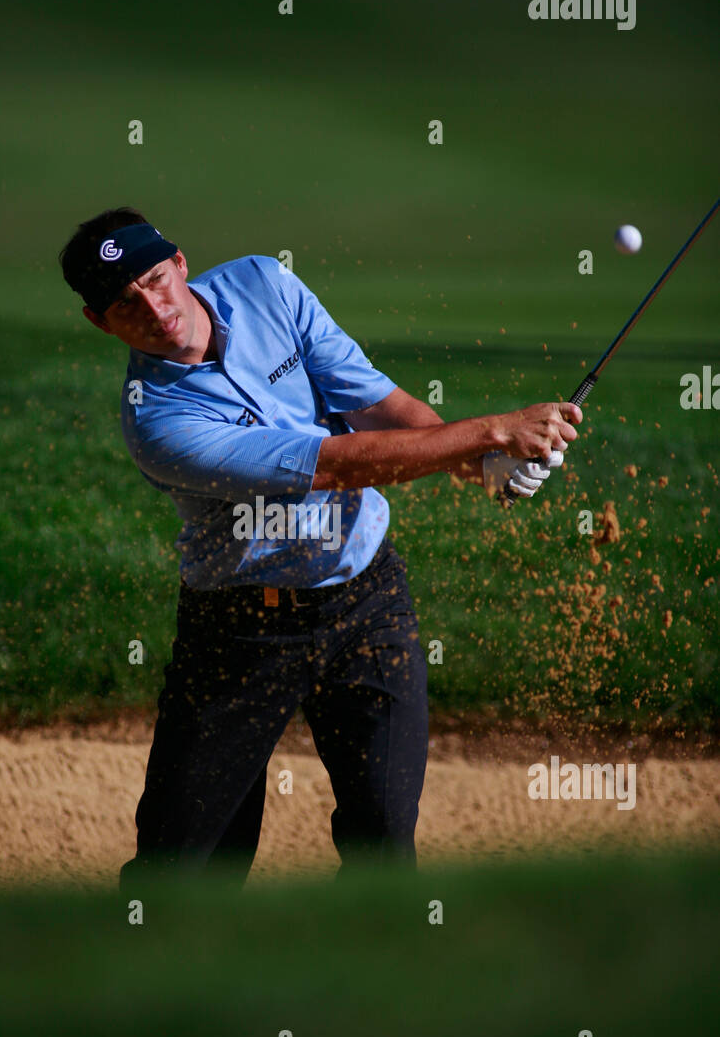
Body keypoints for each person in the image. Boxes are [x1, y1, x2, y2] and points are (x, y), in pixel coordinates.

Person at [58, 206, 581, 884]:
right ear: (100, 323)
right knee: (184, 869)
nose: (155, 310)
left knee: (384, 841)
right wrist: (490, 433)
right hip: (241, 632)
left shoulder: (264, 286)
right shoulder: (159, 423)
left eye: (157, 280)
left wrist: (478, 465)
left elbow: (375, 406)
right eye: (125, 304)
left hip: (369, 605)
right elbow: (337, 464)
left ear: (180, 263)